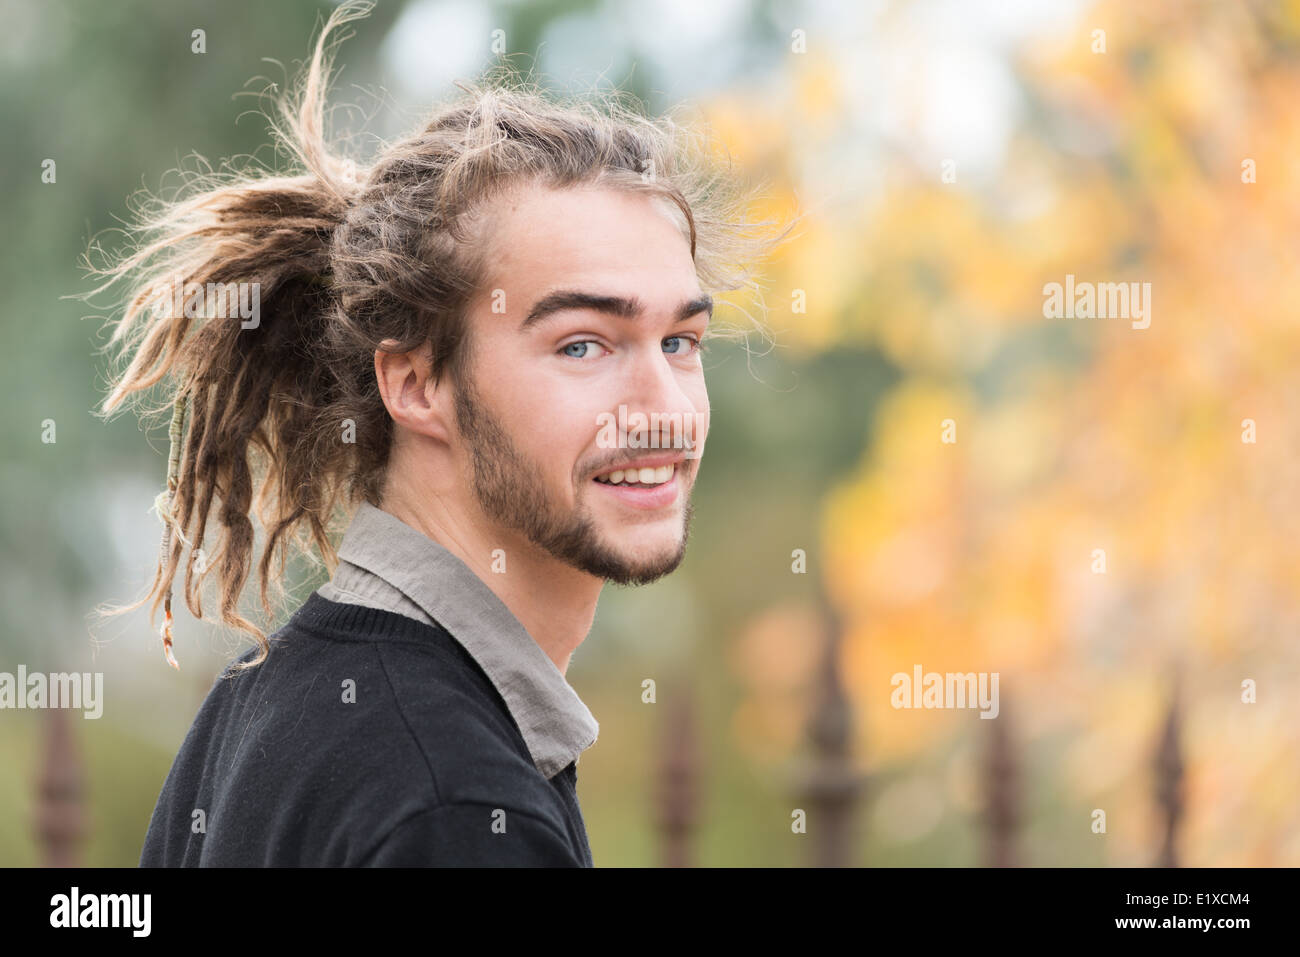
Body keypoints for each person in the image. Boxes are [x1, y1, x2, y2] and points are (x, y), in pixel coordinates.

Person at [93, 0, 793, 866]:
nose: (661, 406)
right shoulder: (454, 807)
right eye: (583, 344)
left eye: (680, 342)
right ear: (417, 383)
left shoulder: (264, 702)